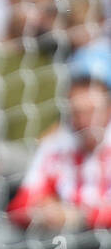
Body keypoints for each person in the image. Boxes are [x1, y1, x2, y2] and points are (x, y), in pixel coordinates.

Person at [8, 51, 111, 231]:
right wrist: (43, 211)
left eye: (92, 111)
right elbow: (19, 207)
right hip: (70, 245)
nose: (85, 121)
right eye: (78, 112)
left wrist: (82, 216)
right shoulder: (55, 146)